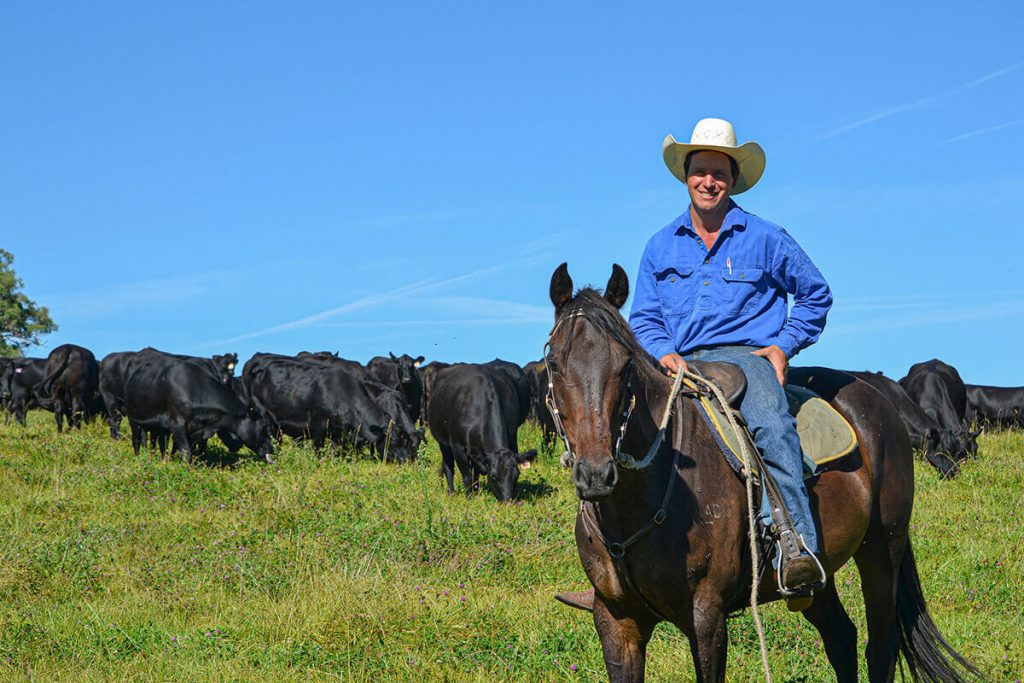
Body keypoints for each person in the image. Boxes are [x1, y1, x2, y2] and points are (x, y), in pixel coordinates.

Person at [555, 118, 832, 613]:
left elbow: (815, 294)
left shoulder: (766, 238)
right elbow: (645, 317)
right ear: (686, 177)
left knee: (771, 424)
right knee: (620, 428)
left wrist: (783, 347)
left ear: (733, 180)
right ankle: (615, 565)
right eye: (700, 171)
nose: (709, 181)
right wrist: (662, 352)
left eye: (719, 173)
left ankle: (794, 546)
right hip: (677, 362)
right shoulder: (660, 245)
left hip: (746, 359)